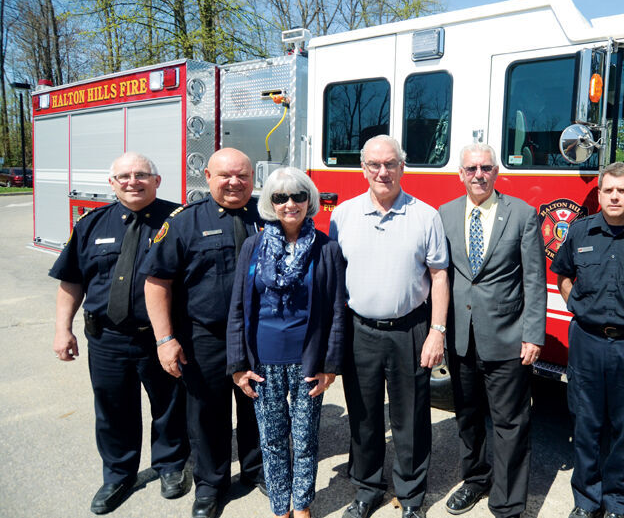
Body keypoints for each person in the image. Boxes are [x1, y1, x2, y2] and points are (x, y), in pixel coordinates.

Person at [50, 152, 189, 514]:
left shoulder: (180, 221)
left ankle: (171, 466)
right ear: (111, 183)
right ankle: (118, 474)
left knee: (169, 404)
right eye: (124, 176)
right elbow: (72, 281)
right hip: (106, 339)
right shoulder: (90, 224)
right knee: (113, 410)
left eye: (142, 174)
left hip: (160, 337)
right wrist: (62, 329)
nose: (133, 181)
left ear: (157, 181)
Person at [329, 135, 449, 518]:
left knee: (410, 417)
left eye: (391, 163)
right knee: (363, 414)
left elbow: (440, 277)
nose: (383, 172)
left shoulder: (425, 215)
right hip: (359, 330)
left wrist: (437, 331)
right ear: (363, 169)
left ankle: (411, 497)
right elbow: (333, 277)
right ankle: (367, 489)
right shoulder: (343, 215)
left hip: (410, 330)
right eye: (375, 165)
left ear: (402, 166)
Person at [142, 148, 265, 518]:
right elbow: (156, 282)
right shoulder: (184, 221)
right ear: (207, 176)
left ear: (253, 179)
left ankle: (258, 470)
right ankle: (211, 485)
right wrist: (165, 339)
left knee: (258, 406)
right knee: (207, 413)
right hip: (205, 337)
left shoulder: (270, 214)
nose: (234, 182)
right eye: (225, 175)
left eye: (243, 175)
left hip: (259, 335)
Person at [226, 167, 347, 518]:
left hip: (308, 361)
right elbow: (238, 308)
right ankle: (281, 506)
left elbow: (337, 313)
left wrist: (330, 367)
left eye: (298, 196)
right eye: (280, 197)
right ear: (270, 203)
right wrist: (238, 366)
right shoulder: (254, 245)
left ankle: (302, 502)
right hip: (262, 361)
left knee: (306, 437)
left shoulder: (327, 249)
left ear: (309, 201)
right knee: (273, 438)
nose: (290, 203)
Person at [551, 162, 624, 518]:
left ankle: (617, 502)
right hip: (586, 342)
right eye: (608, 190)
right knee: (585, 425)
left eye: (622, 190)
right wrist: (576, 304)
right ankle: (586, 501)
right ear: (599, 194)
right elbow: (562, 274)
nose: (614, 196)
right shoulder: (580, 231)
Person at [437, 143, 546, 518]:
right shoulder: (446, 214)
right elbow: (441, 278)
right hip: (461, 338)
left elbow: (534, 279)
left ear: (496, 172)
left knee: (510, 423)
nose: (478, 174)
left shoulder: (522, 214)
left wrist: (533, 335)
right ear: (461, 174)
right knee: (467, 418)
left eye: (486, 168)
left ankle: (508, 503)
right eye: (471, 168)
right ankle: (475, 479)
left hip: (508, 338)